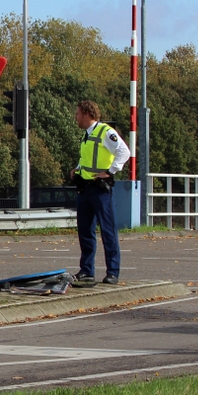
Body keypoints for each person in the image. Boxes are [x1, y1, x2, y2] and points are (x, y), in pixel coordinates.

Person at [72, 100, 130, 285]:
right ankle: (87, 270)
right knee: (85, 231)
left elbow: (124, 152)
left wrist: (111, 171)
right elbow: (89, 158)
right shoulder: (86, 135)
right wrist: (78, 168)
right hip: (85, 188)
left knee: (108, 231)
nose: (76, 117)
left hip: (100, 189)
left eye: (78, 114)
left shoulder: (106, 132)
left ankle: (113, 271)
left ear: (87, 114)